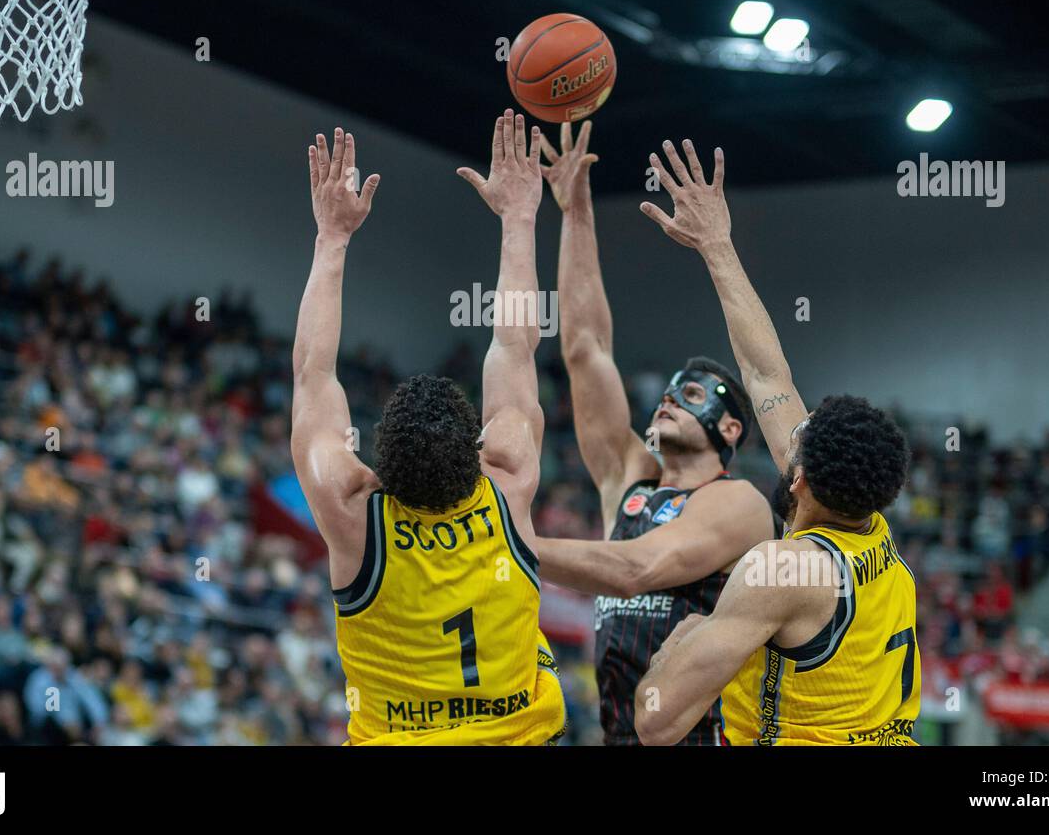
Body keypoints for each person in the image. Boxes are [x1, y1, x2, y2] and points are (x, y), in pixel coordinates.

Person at [633, 140, 918, 746]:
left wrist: (685, 637)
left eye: (799, 435)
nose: (792, 423)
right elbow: (767, 374)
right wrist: (716, 246)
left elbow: (655, 721)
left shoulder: (782, 569)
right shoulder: (871, 529)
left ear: (800, 477)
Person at [290, 116, 565, 745]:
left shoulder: (355, 514)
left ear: (377, 462)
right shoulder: (510, 478)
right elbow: (516, 348)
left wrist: (331, 238)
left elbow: (312, 379)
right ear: (478, 447)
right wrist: (519, 218)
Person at [531, 121, 775, 746]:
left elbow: (637, 568)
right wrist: (576, 209)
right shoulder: (628, 479)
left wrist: (502, 543)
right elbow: (586, 348)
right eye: (668, 389)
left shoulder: (739, 503)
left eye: (690, 394)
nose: (668, 398)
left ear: (728, 427)